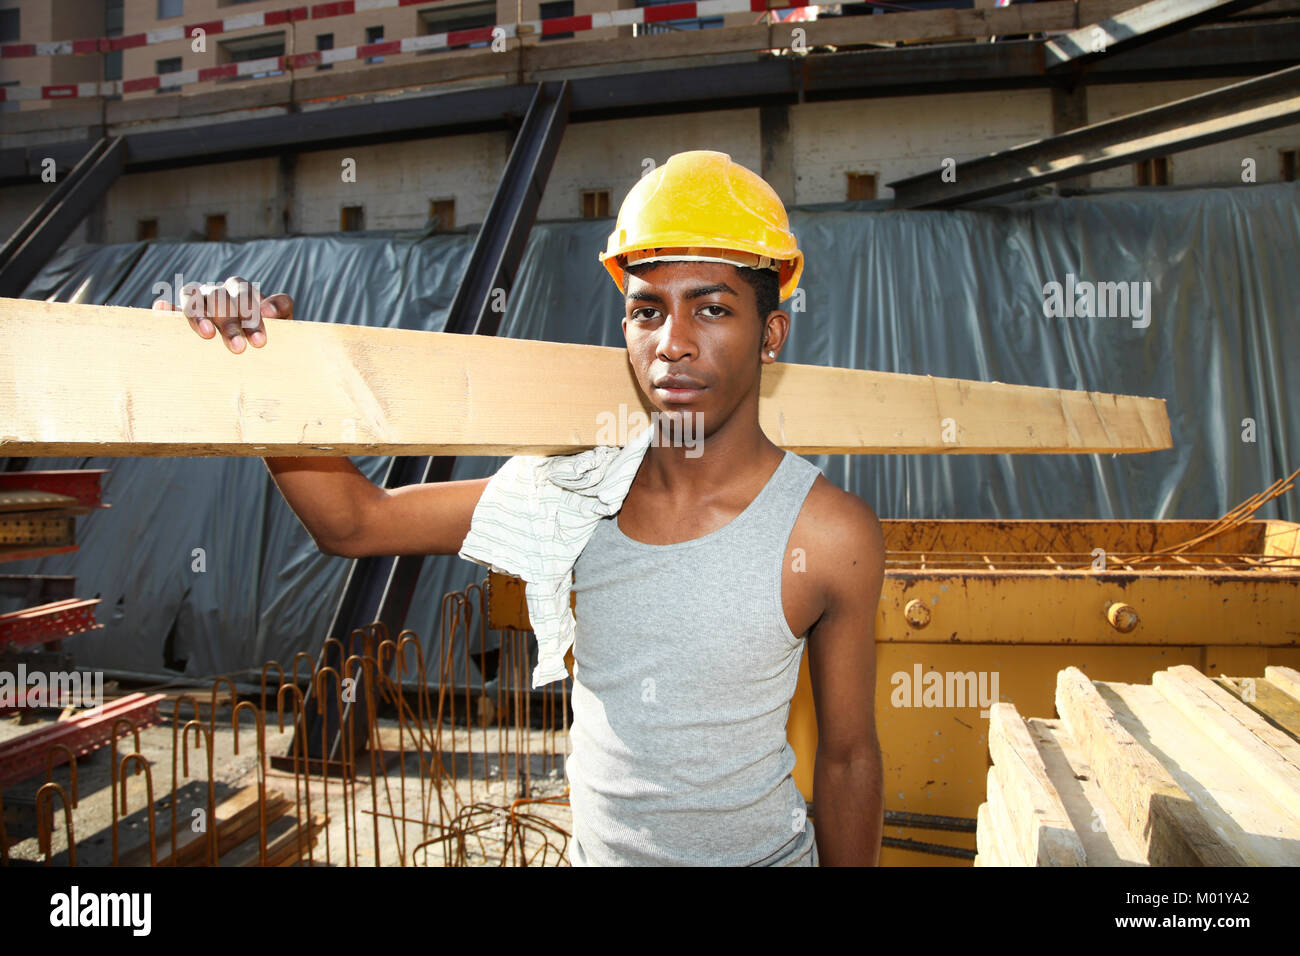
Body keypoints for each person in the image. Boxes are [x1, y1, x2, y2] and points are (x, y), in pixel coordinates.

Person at [155, 149, 886, 866]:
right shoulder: (572, 492)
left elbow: (850, 759)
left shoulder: (828, 533)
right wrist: (253, 366)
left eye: (713, 308)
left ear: (770, 335)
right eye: (646, 310)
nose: (673, 344)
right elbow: (354, 520)